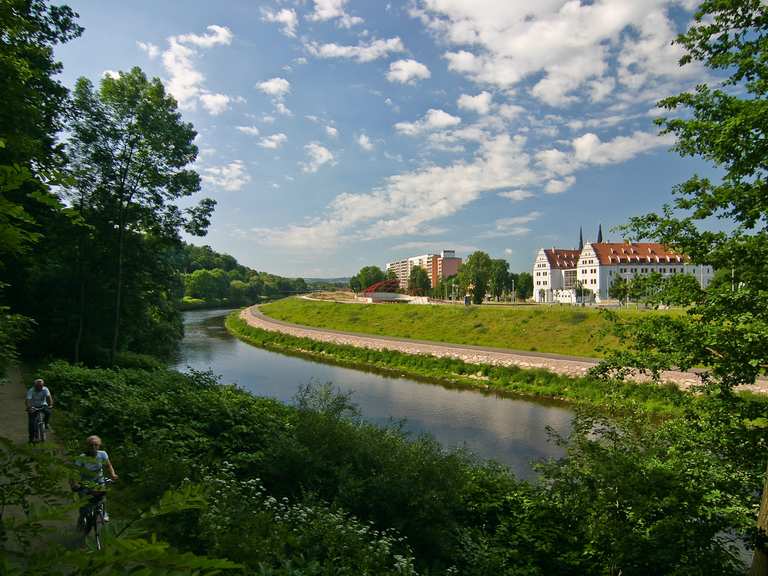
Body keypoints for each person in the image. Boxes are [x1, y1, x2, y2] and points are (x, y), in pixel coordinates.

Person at [72, 435, 118, 522]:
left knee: (102, 497)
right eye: (91, 445)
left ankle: (104, 512)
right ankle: (82, 519)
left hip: (99, 480)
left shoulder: (103, 454)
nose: (93, 447)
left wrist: (113, 474)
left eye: (96, 445)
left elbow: (109, 466)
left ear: (99, 446)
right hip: (85, 483)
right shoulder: (82, 457)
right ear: (87, 446)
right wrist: (74, 483)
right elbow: (75, 472)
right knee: (85, 505)